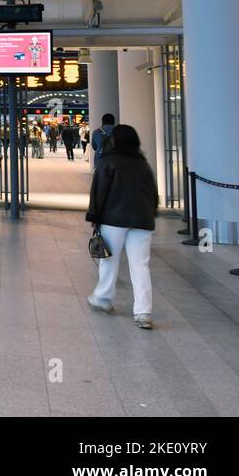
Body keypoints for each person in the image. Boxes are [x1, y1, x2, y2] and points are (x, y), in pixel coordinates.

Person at [85, 124, 157, 329]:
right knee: (141, 265)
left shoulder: (108, 161)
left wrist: (94, 215)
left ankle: (103, 298)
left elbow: (98, 191)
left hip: (113, 219)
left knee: (109, 259)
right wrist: (150, 213)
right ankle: (143, 312)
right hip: (142, 220)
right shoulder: (142, 163)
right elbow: (152, 193)